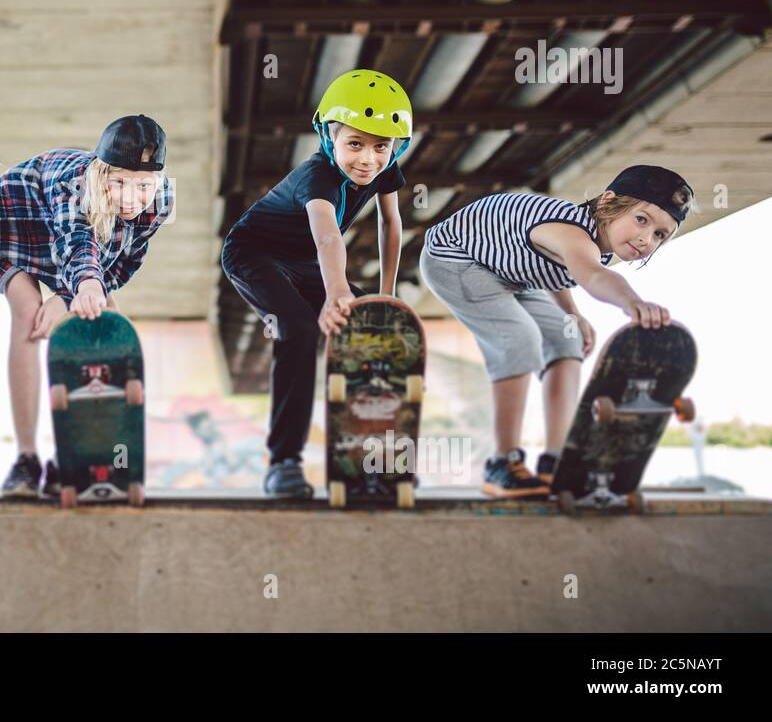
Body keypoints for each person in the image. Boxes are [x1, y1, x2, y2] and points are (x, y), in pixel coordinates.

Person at [419, 164, 693, 497]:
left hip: (510, 270)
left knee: (568, 341)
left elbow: (551, 267)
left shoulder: (587, 242)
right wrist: (632, 302)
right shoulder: (572, 233)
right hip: (454, 259)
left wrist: (572, 314)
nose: (645, 239)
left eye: (659, 235)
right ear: (608, 202)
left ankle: (556, 461)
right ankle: (502, 463)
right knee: (519, 339)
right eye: (641, 220)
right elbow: (591, 275)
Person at [222, 69, 413, 498]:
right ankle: (283, 463)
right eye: (355, 145)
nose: (368, 159)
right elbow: (327, 233)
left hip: (302, 262)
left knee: (370, 322)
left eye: (381, 147)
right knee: (299, 328)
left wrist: (385, 293)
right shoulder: (317, 177)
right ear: (330, 137)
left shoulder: (385, 169)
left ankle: (369, 450)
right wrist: (335, 290)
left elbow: (391, 224)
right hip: (253, 254)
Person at [0, 115, 174, 498]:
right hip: (11, 222)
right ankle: (26, 460)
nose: (131, 197)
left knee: (107, 319)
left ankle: (92, 456)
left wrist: (69, 297)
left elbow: (125, 261)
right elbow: (76, 240)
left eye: (143, 186)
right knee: (29, 313)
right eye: (120, 183)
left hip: (66, 246)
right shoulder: (75, 187)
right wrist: (80, 286)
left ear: (158, 182)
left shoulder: (159, 203)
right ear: (101, 174)